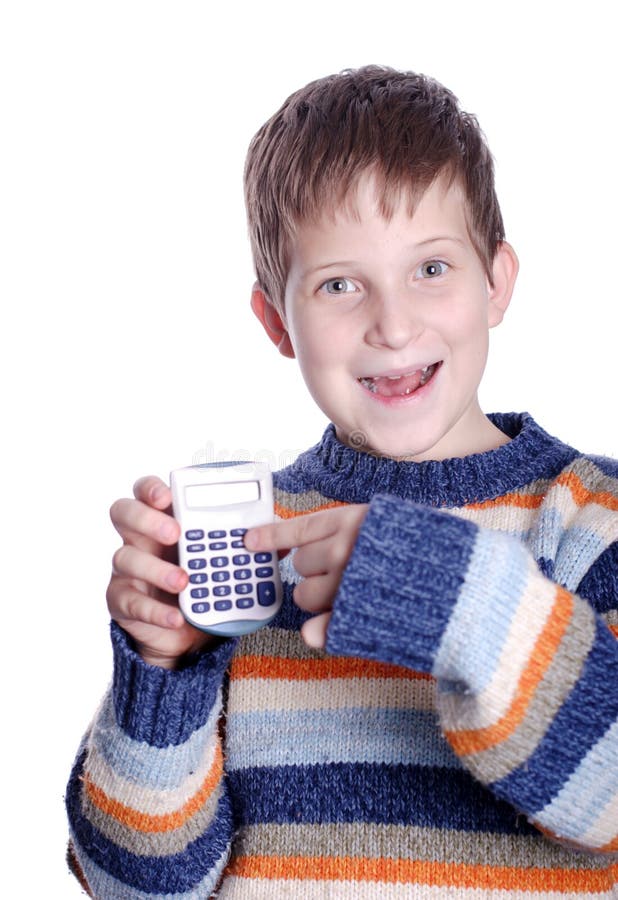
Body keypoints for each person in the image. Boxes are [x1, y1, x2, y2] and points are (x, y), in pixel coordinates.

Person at [66, 65, 618, 898]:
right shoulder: (252, 543)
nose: (393, 324)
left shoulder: (593, 520)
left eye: (431, 268)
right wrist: (163, 676)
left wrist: (450, 593)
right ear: (276, 322)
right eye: (338, 285)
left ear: (497, 280)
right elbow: (134, 887)